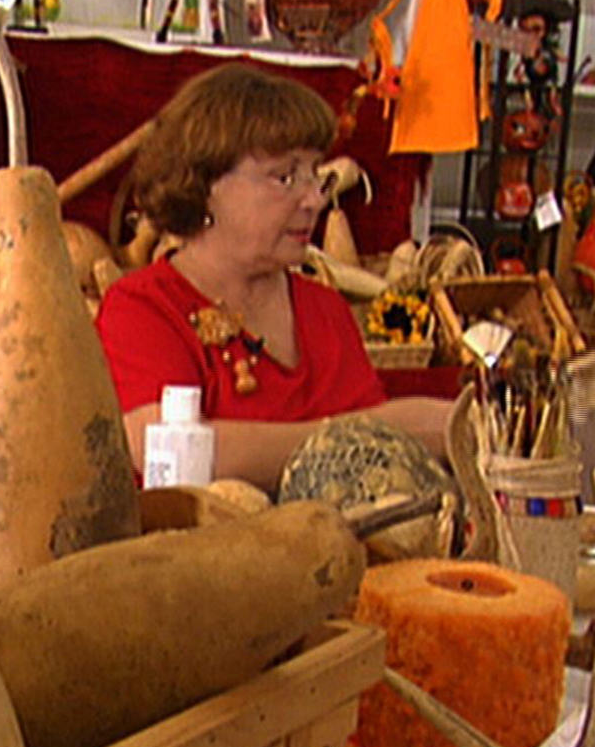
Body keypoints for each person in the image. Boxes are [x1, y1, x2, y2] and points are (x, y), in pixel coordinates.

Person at [94, 63, 451, 488]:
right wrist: (382, 430)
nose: (314, 200)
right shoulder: (142, 308)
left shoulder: (325, 309)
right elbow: (160, 450)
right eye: (285, 177)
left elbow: (371, 479)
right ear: (205, 184)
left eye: (315, 175)